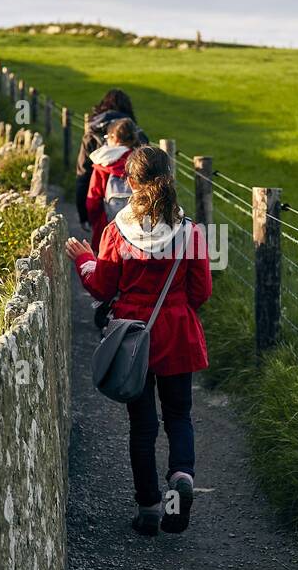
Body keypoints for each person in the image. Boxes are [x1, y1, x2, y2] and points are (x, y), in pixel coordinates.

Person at [66, 145, 212, 536]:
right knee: (178, 416)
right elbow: (201, 292)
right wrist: (177, 306)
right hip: (178, 335)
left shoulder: (117, 232)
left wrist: (83, 260)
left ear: (130, 182)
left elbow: (102, 286)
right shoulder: (191, 232)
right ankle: (181, 478)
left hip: (133, 337)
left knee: (142, 426)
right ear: (170, 177)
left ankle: (148, 508)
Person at [75, 89, 148, 231]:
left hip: (105, 223)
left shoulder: (93, 136)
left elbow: (83, 177)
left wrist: (84, 217)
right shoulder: (138, 135)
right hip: (138, 224)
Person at [84, 117, 140, 252]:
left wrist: (95, 223)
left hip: (107, 227)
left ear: (114, 137)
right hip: (138, 230)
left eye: (107, 137)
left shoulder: (104, 163)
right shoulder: (140, 162)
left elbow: (92, 202)